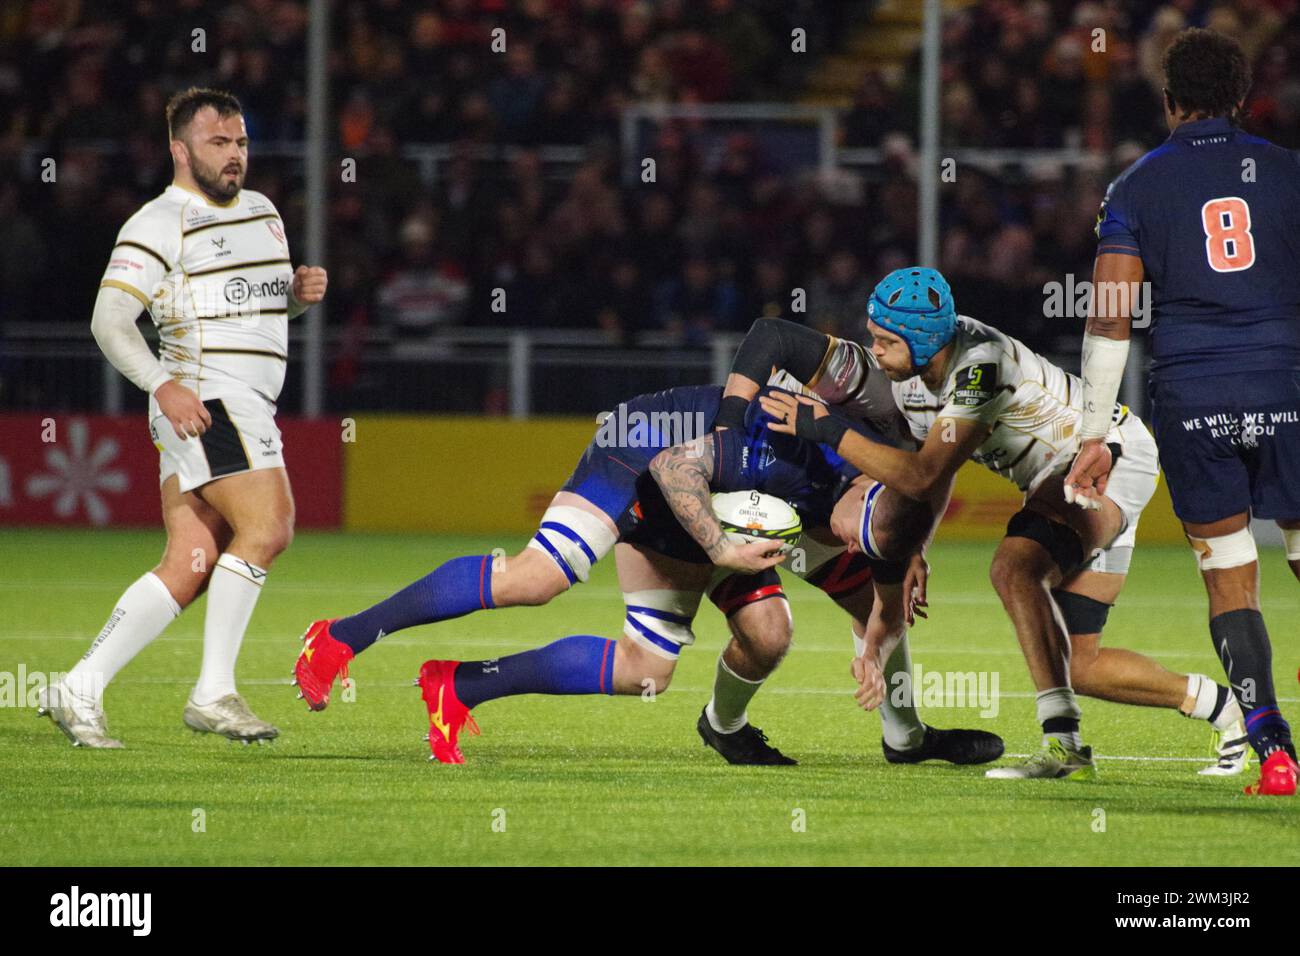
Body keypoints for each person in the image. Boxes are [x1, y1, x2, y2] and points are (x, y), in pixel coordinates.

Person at [294, 384, 1001, 765]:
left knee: (673, 663)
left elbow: (877, 603)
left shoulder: (868, 503)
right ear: (858, 491)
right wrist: (721, 548)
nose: (857, 544)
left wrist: (876, 644)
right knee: (537, 579)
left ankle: (459, 687)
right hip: (645, 455)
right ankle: (339, 636)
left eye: (877, 540)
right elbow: (676, 469)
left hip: (715, 509)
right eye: (863, 529)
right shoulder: (794, 452)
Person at [760, 267, 1247, 780]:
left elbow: (923, 475)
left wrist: (827, 429)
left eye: (884, 341)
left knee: (1015, 568)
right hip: (1073, 476)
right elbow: (938, 474)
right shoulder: (914, 378)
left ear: (922, 339)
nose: (873, 351)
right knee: (1079, 665)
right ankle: (1224, 707)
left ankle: (1064, 745)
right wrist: (915, 547)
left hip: (1105, 463)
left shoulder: (981, 365)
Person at [37, 88, 327, 747]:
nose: (234, 156)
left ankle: (78, 687)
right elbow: (108, 320)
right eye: (218, 144)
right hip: (206, 402)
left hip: (246, 402)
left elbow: (261, 311)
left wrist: (299, 300)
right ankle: (214, 692)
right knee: (270, 525)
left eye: (242, 143)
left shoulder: (264, 213)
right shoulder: (158, 223)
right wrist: (163, 385)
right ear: (179, 149)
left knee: (191, 560)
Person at [1065, 28, 1299, 796]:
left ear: (1168, 102)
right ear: (1242, 97)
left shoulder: (1135, 187)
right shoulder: (1288, 173)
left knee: (1231, 579)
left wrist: (1094, 433)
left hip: (1193, 395)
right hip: (1286, 386)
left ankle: (1273, 754)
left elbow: (1109, 320)